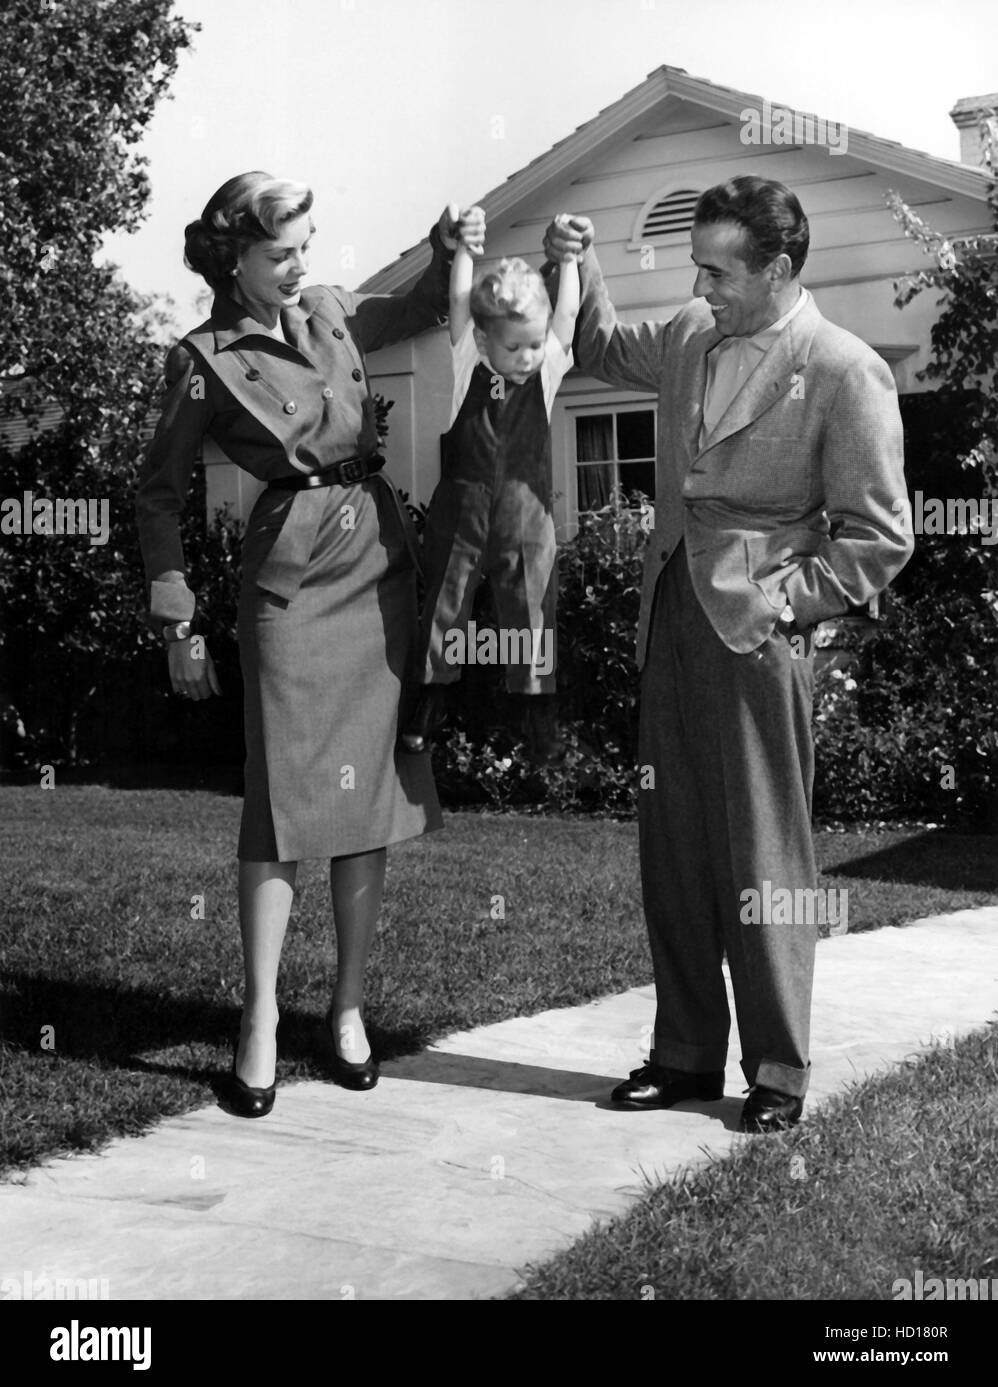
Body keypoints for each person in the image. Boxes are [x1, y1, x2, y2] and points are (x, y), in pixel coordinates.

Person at [544, 176, 913, 1132]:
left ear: (779, 268)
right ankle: (683, 1056)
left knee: (765, 858)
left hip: (758, 638)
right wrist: (573, 262)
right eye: (697, 267)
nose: (700, 286)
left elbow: (878, 535)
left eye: (717, 270)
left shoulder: (843, 368)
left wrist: (785, 604)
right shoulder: (684, 337)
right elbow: (590, 344)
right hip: (670, 617)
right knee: (672, 851)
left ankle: (778, 1073)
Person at [135, 172, 485, 1117]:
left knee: (365, 800)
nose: (298, 267)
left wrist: (445, 240)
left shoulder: (331, 310)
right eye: (279, 252)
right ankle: (258, 1019)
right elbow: (157, 496)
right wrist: (180, 619)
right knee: (281, 803)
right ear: (233, 258)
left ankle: (346, 1010)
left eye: (305, 246)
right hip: (290, 581)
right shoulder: (202, 360)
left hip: (378, 565)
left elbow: (416, 303)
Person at [400, 228, 580, 764]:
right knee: (444, 603)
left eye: (532, 343)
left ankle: (538, 713)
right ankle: (429, 701)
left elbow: (566, 318)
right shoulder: (466, 365)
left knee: (532, 607)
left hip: (525, 512)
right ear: (482, 341)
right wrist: (464, 252)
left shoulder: (545, 372)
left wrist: (569, 259)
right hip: (463, 506)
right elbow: (460, 302)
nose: (526, 357)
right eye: (513, 347)